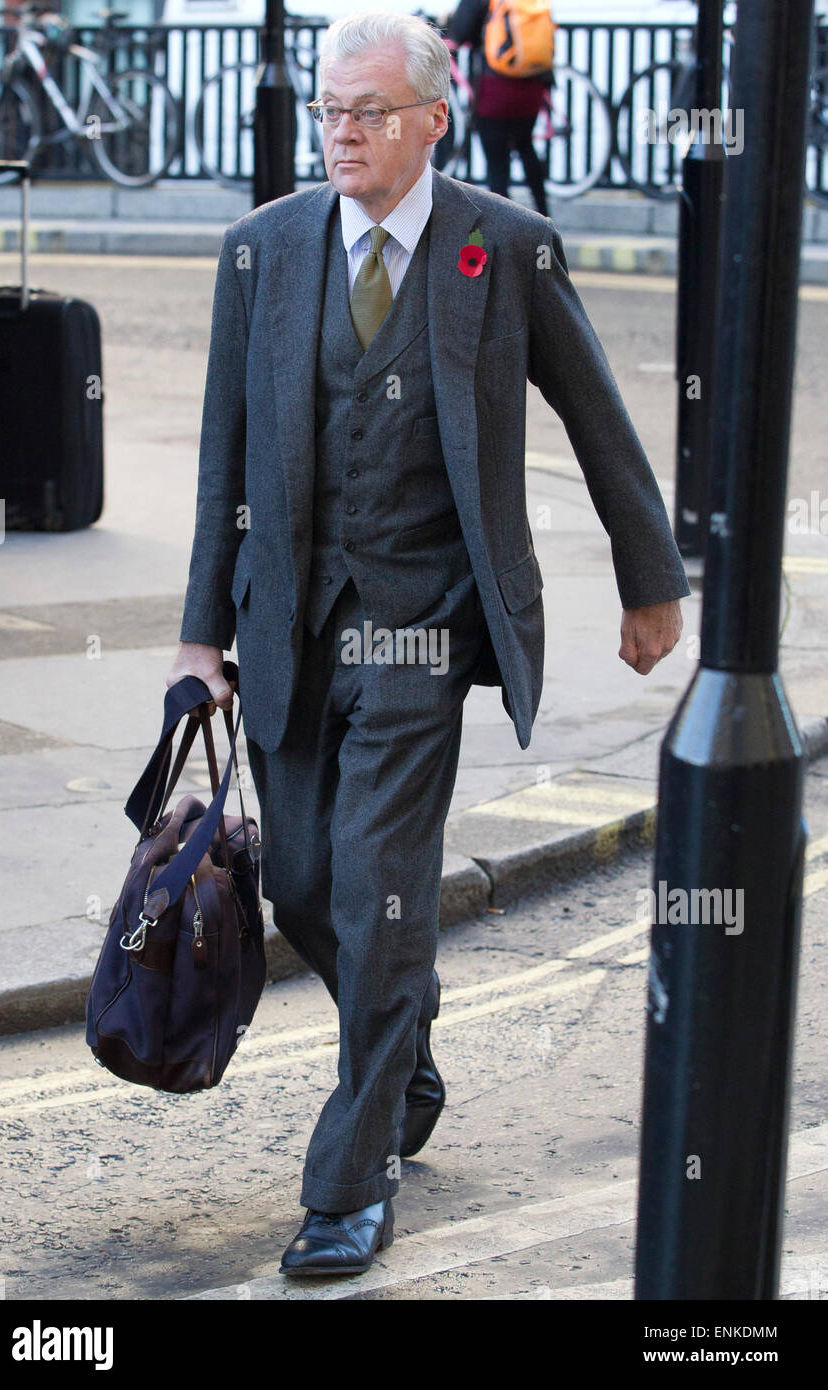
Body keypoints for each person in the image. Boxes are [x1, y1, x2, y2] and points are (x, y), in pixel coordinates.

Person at [166, 8, 688, 1278]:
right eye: (329, 114)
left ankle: (350, 1181)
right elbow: (221, 457)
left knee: (374, 880)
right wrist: (197, 636)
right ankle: (405, 1039)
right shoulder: (262, 251)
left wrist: (648, 578)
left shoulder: (505, 250)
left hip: (422, 629)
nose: (342, 134)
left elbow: (598, 416)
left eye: (369, 114)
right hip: (291, 625)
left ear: (431, 120)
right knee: (296, 884)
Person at [447, 0, 554, 214]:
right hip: (533, 87)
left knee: (497, 161)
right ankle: (544, 217)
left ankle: (505, 225)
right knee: (525, 146)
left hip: (495, 89)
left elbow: (459, 33)